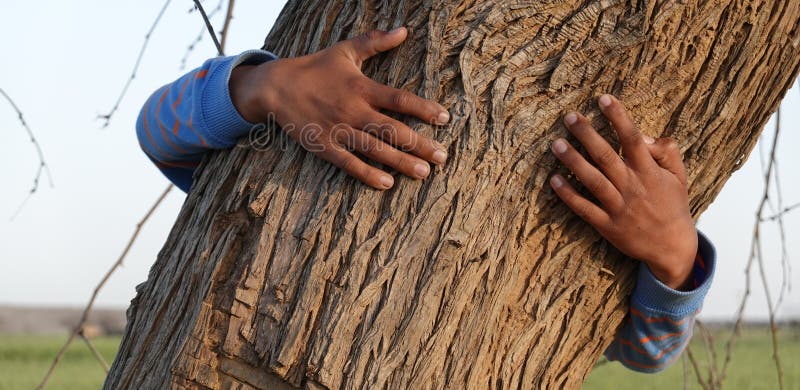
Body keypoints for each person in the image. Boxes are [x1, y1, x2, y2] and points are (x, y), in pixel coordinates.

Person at [136, 26, 715, 373]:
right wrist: (263, 86)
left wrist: (672, 255)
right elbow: (158, 134)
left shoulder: (554, 285)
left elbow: (644, 353)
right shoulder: (282, 137)